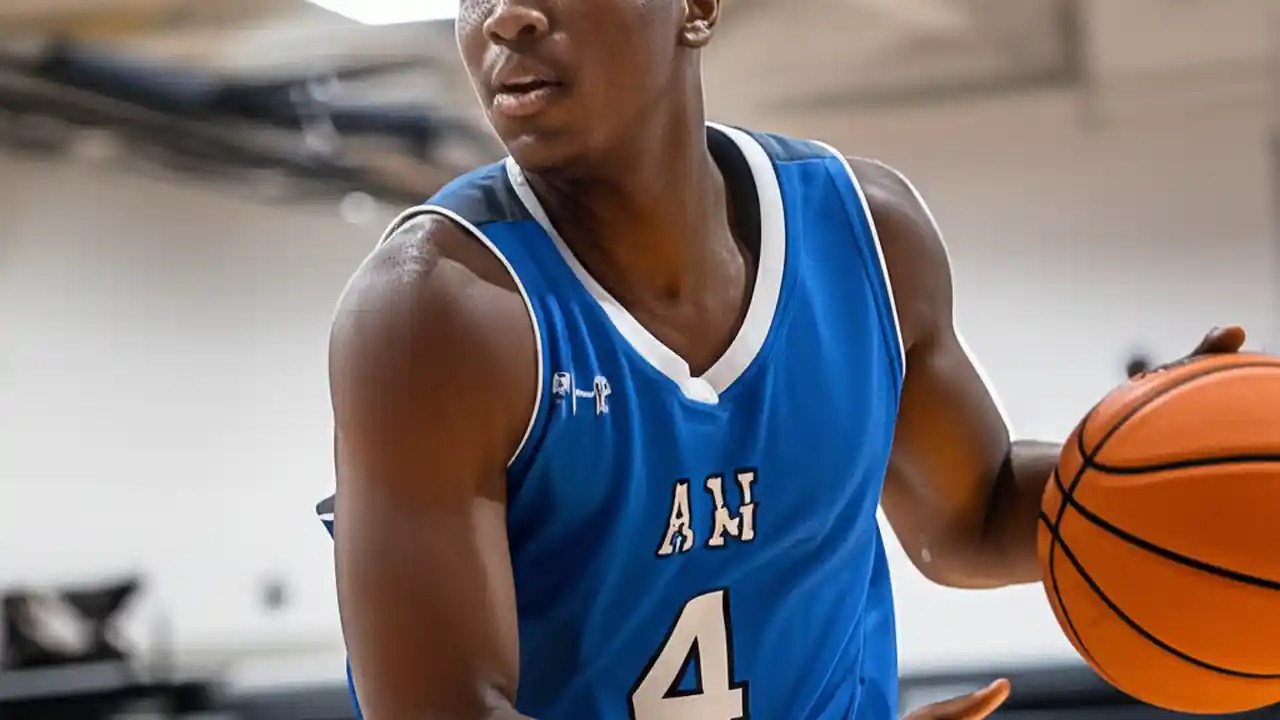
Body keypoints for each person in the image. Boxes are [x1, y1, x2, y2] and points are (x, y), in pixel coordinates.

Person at [320, 1, 1246, 718]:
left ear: (698, 4)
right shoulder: (434, 313)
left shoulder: (869, 237)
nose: (507, 15)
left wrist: (1153, 471)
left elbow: (972, 514)